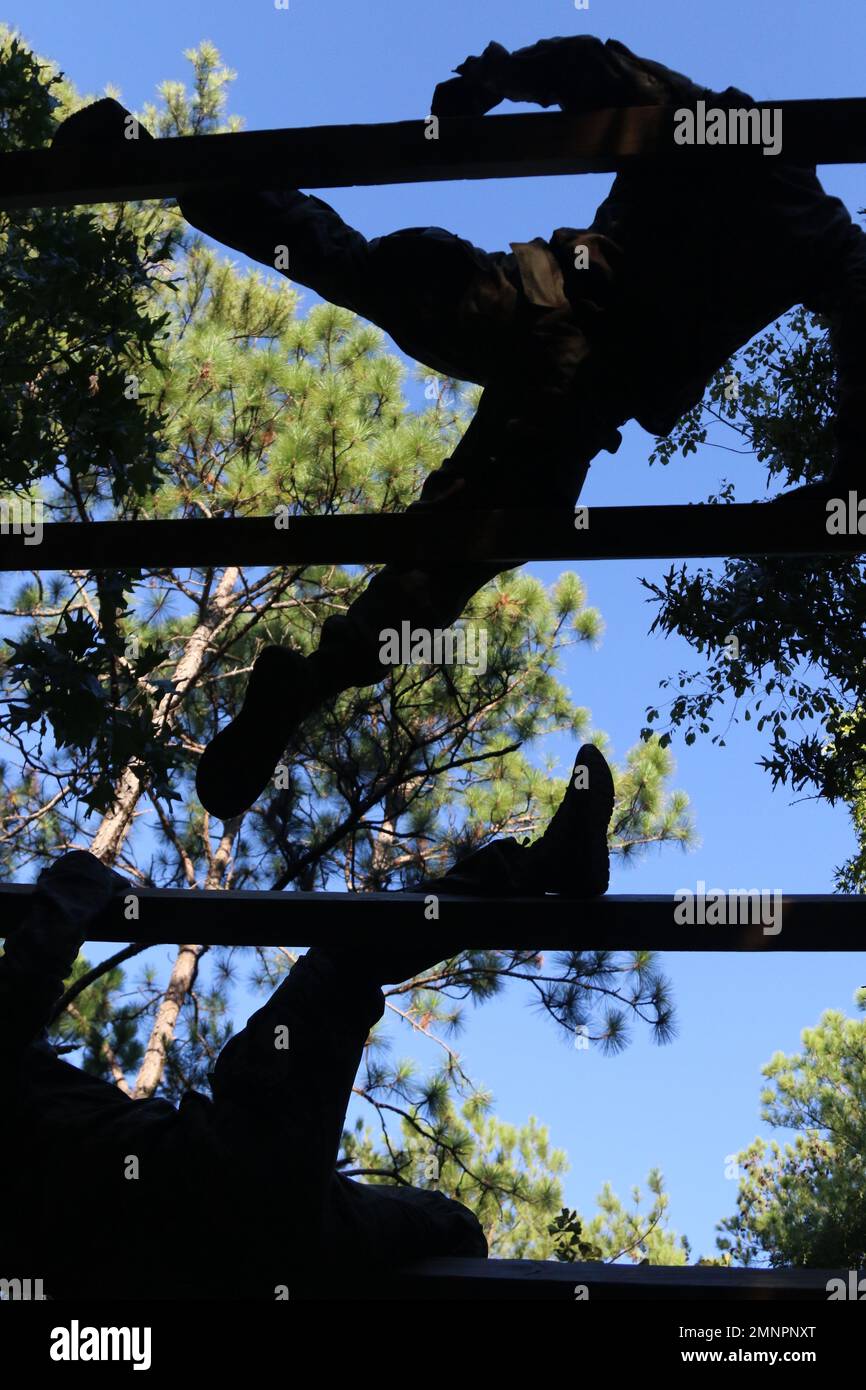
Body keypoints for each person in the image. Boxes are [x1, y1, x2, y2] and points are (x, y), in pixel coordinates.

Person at [53, 36, 866, 820]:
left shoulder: (728, 140)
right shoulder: (808, 219)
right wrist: (849, 479)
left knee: (353, 268)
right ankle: (313, 682)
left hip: (537, 312)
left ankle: (147, 157)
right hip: (579, 377)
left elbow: (595, 67)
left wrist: (494, 78)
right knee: (451, 557)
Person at [1, 745, 615, 1299]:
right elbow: (19, 987)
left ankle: (550, 865)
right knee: (345, 957)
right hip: (212, 1183)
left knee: (449, 1225)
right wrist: (72, 888)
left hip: (254, 1244)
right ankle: (546, 866)